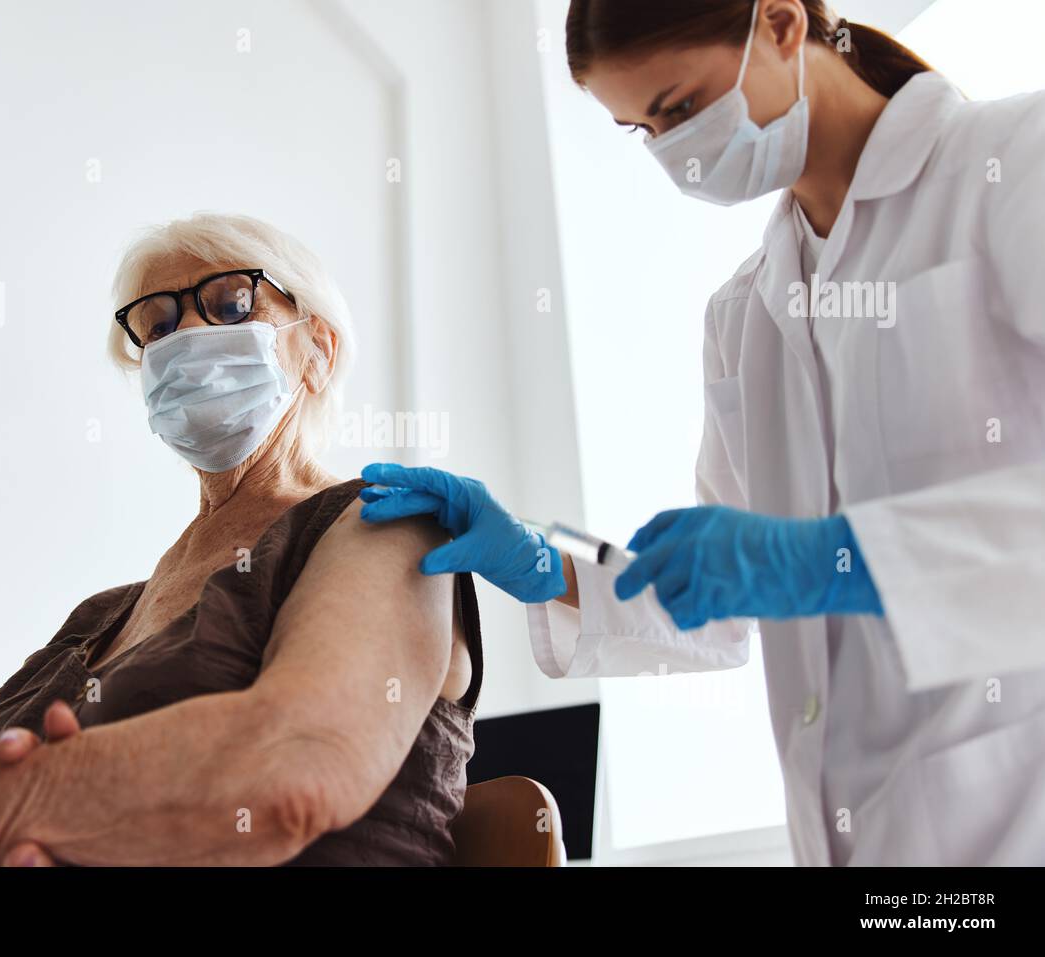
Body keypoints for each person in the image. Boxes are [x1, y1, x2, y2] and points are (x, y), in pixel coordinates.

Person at [361, 0, 1045, 865]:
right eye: (640, 128)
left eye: (679, 108)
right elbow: (723, 610)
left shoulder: (1012, 165)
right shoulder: (744, 312)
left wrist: (835, 559)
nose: (672, 153)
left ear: (784, 25)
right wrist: (544, 562)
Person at [0, 213, 483, 867]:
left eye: (230, 303)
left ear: (318, 350)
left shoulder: (387, 520)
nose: (184, 334)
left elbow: (294, 767)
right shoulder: (98, 615)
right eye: (156, 324)